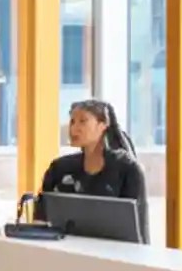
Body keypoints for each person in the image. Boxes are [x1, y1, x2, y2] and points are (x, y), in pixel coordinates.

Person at [35, 99, 148, 244]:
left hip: (115, 255)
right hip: (67, 252)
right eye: (72, 122)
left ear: (102, 125)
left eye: (83, 121)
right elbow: (41, 216)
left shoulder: (127, 170)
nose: (74, 129)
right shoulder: (59, 169)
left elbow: (139, 227)